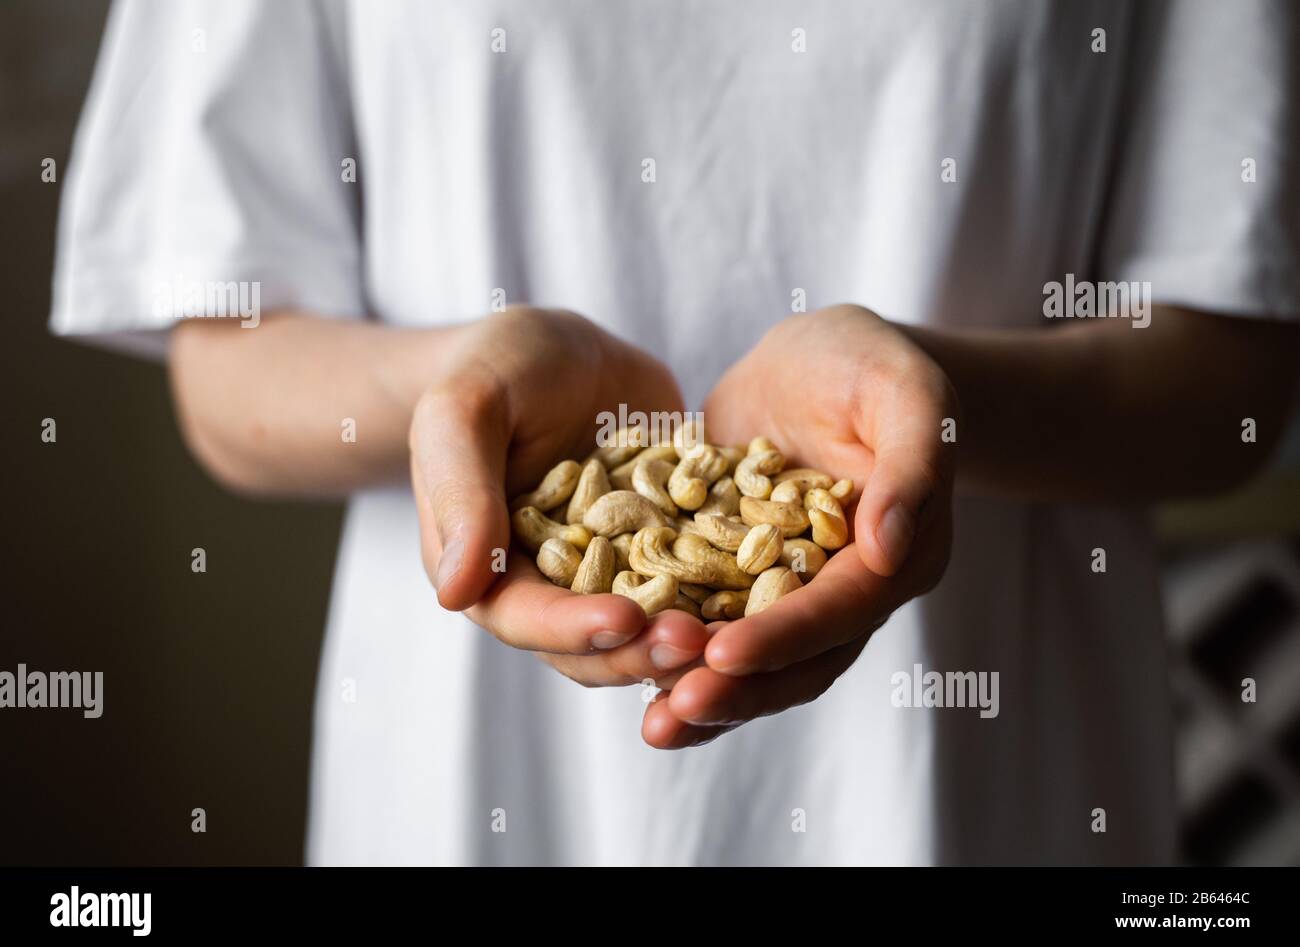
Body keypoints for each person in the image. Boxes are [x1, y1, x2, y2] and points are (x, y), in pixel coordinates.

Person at [51, 0, 1299, 865]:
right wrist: (461, 389)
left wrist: (939, 402)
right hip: (469, 776)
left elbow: (1229, 381)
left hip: (984, 780)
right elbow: (226, 359)